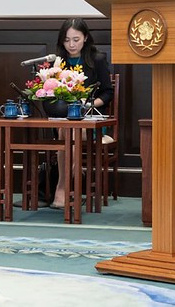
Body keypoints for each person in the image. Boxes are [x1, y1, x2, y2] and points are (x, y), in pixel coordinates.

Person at [49, 18, 114, 209]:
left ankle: (62, 188)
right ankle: (72, 178)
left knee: (69, 132)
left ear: (85, 38)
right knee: (65, 131)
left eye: (76, 39)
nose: (71, 45)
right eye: (67, 40)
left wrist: (88, 104)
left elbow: (108, 92)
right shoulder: (58, 62)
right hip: (64, 120)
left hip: (92, 121)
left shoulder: (97, 59)